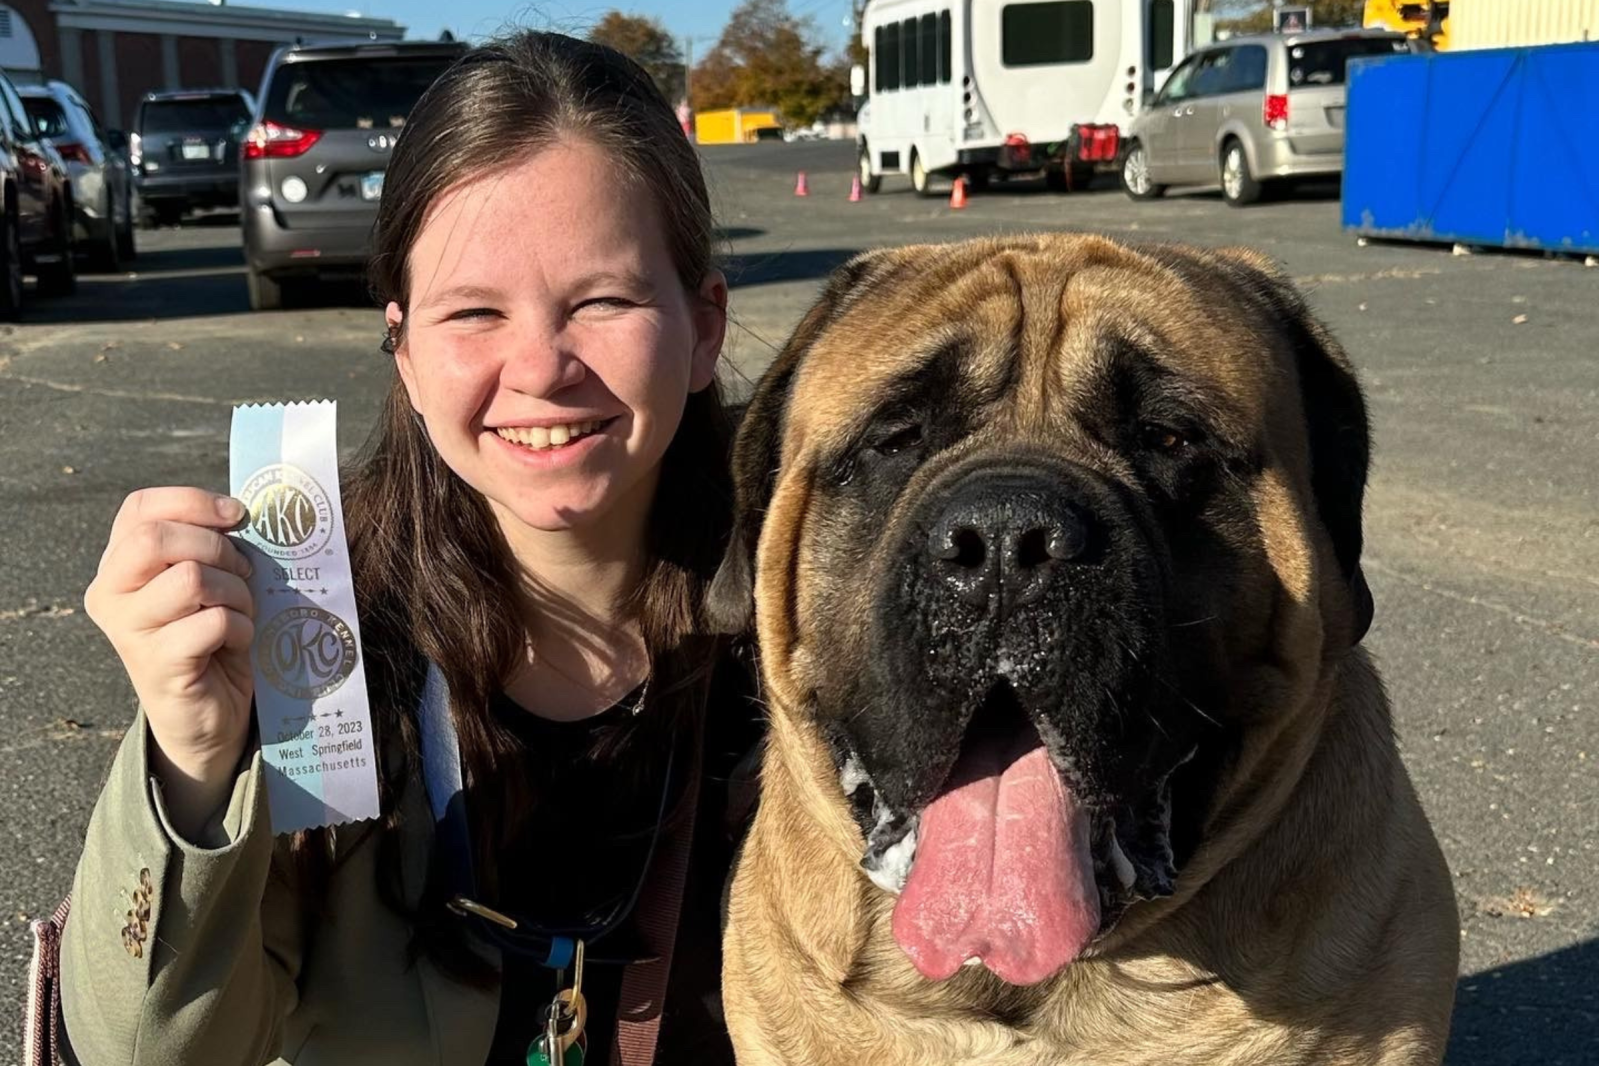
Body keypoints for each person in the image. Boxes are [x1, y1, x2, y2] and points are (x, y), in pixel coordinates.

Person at [59, 30, 759, 1066]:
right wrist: (192, 765)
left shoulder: (813, 622)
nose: (539, 368)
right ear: (405, 350)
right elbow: (152, 1053)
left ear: (703, 326)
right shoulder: (313, 631)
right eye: (472, 312)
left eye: (602, 300)